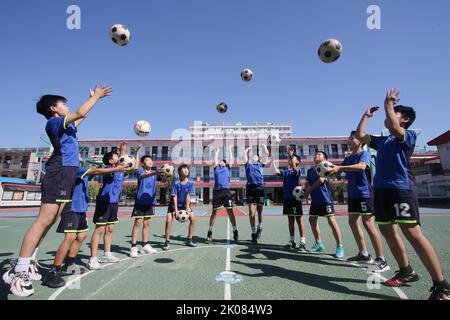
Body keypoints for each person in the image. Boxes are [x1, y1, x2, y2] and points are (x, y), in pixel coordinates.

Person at [3, 85, 112, 297]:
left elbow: (81, 117)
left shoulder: (66, 127)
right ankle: (19, 270)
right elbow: (79, 113)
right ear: (54, 109)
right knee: (44, 219)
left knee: (51, 220)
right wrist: (97, 97)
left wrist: (93, 102)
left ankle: (29, 260)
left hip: (66, 173)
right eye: (64, 104)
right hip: (59, 171)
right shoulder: (53, 123)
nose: (67, 107)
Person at [356, 89, 449, 299]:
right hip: (381, 191)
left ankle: (441, 286)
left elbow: (396, 128)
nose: (388, 117)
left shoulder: (407, 136)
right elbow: (361, 136)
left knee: (412, 233)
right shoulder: (383, 141)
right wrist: (366, 116)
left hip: (400, 190)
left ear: (405, 119)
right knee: (387, 231)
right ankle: (406, 271)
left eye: (394, 113)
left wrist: (388, 103)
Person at [327, 131, 390, 272]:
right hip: (354, 195)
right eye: (348, 139)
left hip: (364, 194)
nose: (349, 141)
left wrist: (340, 168)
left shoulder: (364, 154)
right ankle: (363, 253)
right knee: (352, 222)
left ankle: (381, 259)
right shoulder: (349, 158)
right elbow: (336, 171)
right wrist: (325, 168)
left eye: (352, 138)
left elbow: (362, 166)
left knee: (368, 224)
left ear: (360, 141)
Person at [89, 142, 136, 270]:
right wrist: (122, 153)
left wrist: (127, 152)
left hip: (114, 203)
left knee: (110, 229)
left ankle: (107, 254)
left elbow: (129, 166)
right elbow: (118, 165)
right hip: (104, 201)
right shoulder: (108, 169)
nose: (120, 158)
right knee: (99, 230)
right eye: (116, 156)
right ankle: (93, 258)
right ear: (111, 160)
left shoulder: (120, 170)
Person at [304, 151, 345, 259]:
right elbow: (307, 182)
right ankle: (319, 243)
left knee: (331, 221)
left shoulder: (326, 167)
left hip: (325, 200)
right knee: (312, 220)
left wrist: (309, 190)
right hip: (315, 201)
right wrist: (304, 190)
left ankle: (339, 246)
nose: (316, 155)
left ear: (324, 159)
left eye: (319, 154)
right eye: (315, 154)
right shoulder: (310, 170)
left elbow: (322, 180)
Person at [272, 153, 307, 251]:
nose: (290, 160)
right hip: (287, 199)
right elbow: (276, 172)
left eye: (293, 159)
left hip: (295, 199)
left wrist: (292, 158)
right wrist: (272, 162)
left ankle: (302, 242)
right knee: (290, 220)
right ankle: (292, 241)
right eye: (290, 159)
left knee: (299, 220)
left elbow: (295, 169)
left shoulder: (297, 170)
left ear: (297, 162)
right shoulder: (286, 171)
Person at [207, 146, 239, 243]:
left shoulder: (227, 168)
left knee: (230, 212)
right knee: (214, 213)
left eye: (223, 161)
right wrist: (217, 151)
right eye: (220, 161)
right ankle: (210, 231)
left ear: (225, 164)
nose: (221, 162)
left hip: (226, 191)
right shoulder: (216, 168)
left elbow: (231, 160)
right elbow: (215, 160)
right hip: (217, 192)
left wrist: (229, 150)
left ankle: (235, 230)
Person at [163, 165, 197, 250]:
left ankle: (189, 239)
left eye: (187, 169)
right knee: (168, 221)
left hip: (184, 205)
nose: (186, 170)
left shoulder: (190, 182)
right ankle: (167, 242)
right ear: (179, 172)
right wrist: (176, 210)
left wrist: (187, 209)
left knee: (193, 219)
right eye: (184, 169)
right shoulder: (176, 183)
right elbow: (174, 196)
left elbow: (188, 196)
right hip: (173, 205)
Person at [243, 144, 271, 244]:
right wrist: (247, 150)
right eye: (253, 156)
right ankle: (253, 233)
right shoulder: (248, 165)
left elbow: (267, 154)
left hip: (260, 188)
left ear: (258, 159)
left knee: (260, 210)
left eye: (256, 156)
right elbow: (244, 156)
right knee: (251, 212)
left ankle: (260, 226)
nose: (254, 157)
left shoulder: (260, 164)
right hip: (250, 188)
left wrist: (264, 146)